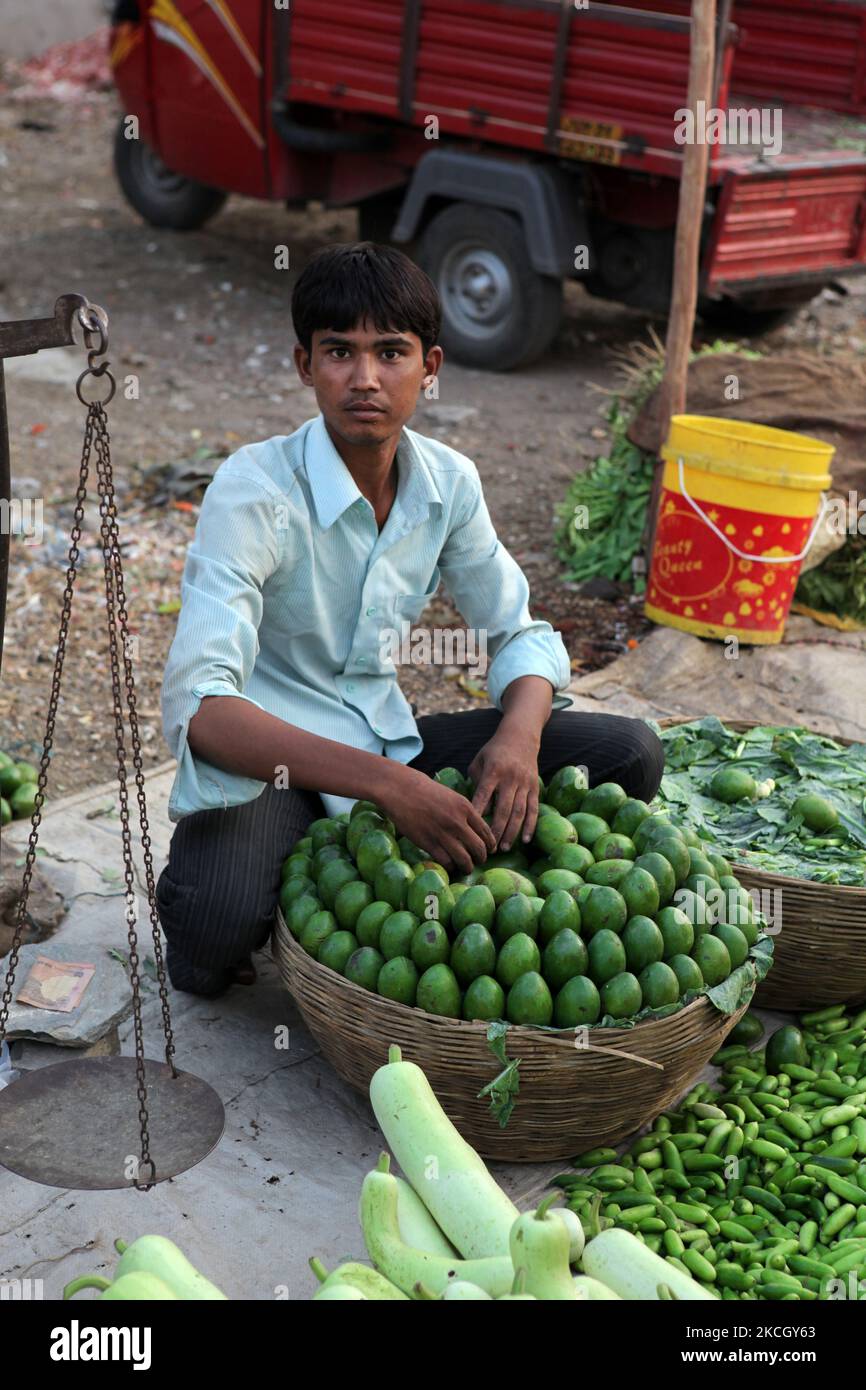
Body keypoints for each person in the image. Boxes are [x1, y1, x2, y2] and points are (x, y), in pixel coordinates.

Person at [157, 241, 663, 996]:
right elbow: (202, 708)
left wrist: (518, 743)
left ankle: (343, 851)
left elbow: (519, 633)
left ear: (431, 367)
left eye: (391, 353)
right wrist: (390, 788)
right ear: (305, 365)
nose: (364, 379)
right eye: (339, 352)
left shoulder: (447, 483)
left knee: (629, 753)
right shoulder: (254, 488)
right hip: (275, 764)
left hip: (379, 737)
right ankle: (285, 859)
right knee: (211, 937)